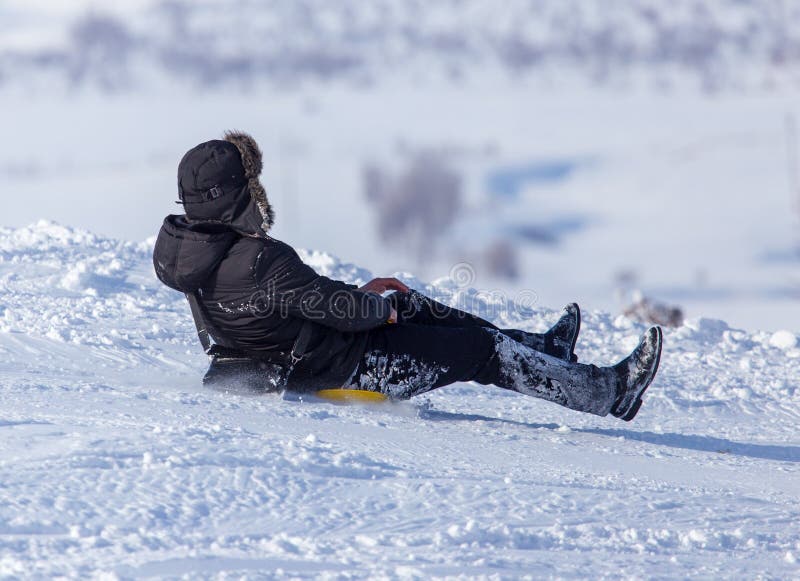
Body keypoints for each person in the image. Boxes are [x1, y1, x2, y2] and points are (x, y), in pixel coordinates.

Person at [153, 131, 662, 421]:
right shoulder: (261, 258)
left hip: (286, 353)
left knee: (410, 303)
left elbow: (296, 302)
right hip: (338, 366)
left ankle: (541, 350)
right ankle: (605, 392)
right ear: (240, 193)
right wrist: (376, 306)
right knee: (479, 353)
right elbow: (341, 312)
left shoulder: (188, 249)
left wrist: (374, 301)